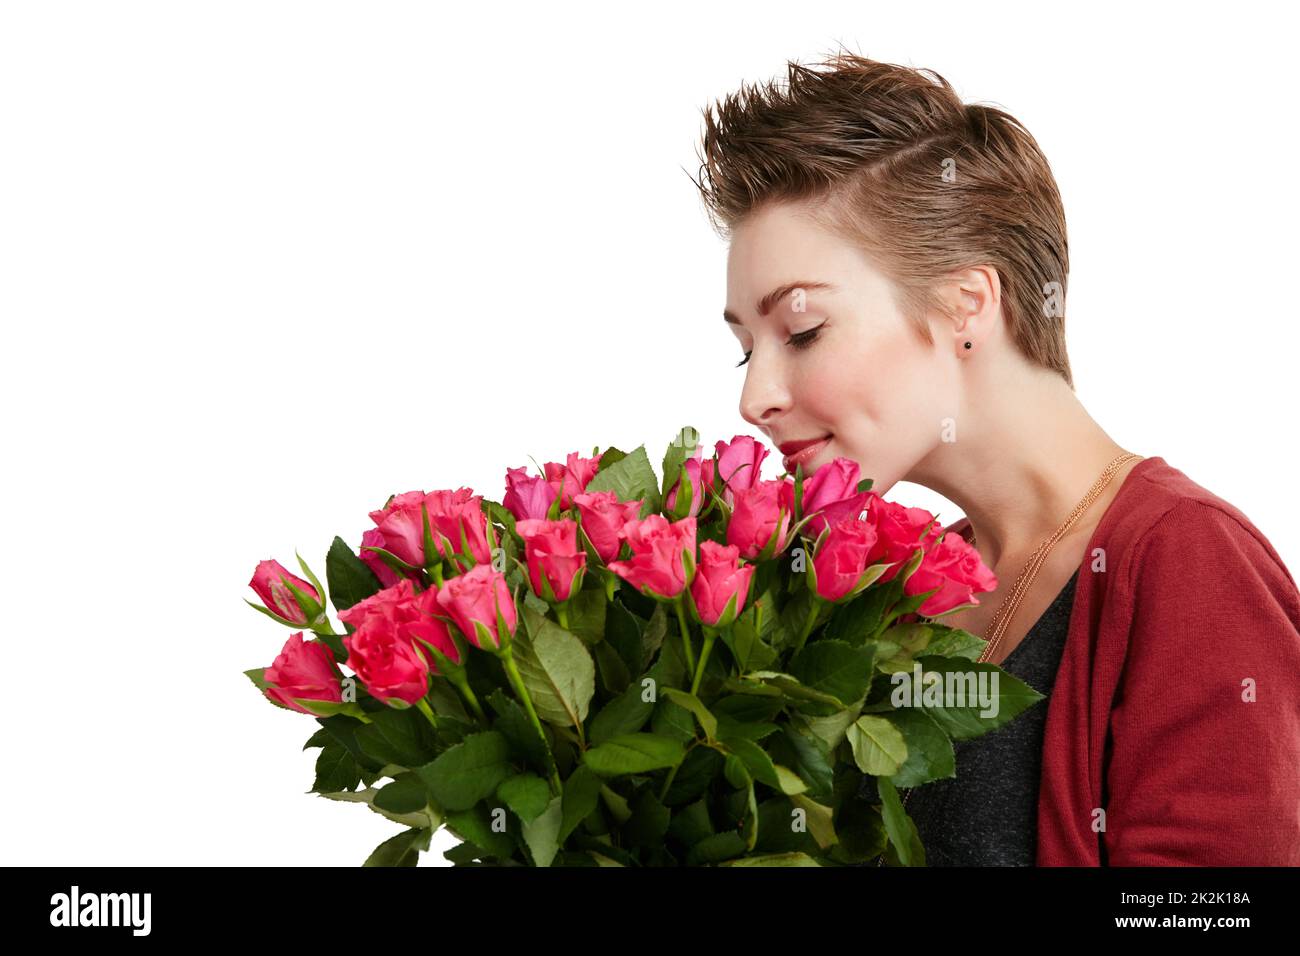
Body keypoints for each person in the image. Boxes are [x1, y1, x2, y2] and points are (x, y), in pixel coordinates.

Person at [692, 49, 1300, 865]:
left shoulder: (1186, 562)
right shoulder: (899, 594)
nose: (755, 396)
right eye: (745, 349)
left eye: (801, 330)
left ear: (964, 304)